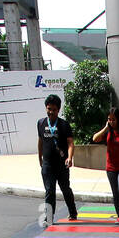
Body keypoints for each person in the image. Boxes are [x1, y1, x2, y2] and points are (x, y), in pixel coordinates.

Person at [36, 94, 78, 224]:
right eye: (49, 109)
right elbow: (40, 142)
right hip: (48, 164)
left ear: (58, 110)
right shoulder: (41, 123)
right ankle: (49, 218)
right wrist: (40, 159)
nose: (51, 112)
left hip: (62, 165)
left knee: (65, 189)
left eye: (54, 109)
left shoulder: (64, 125)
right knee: (49, 191)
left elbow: (70, 143)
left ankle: (72, 212)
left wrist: (69, 158)